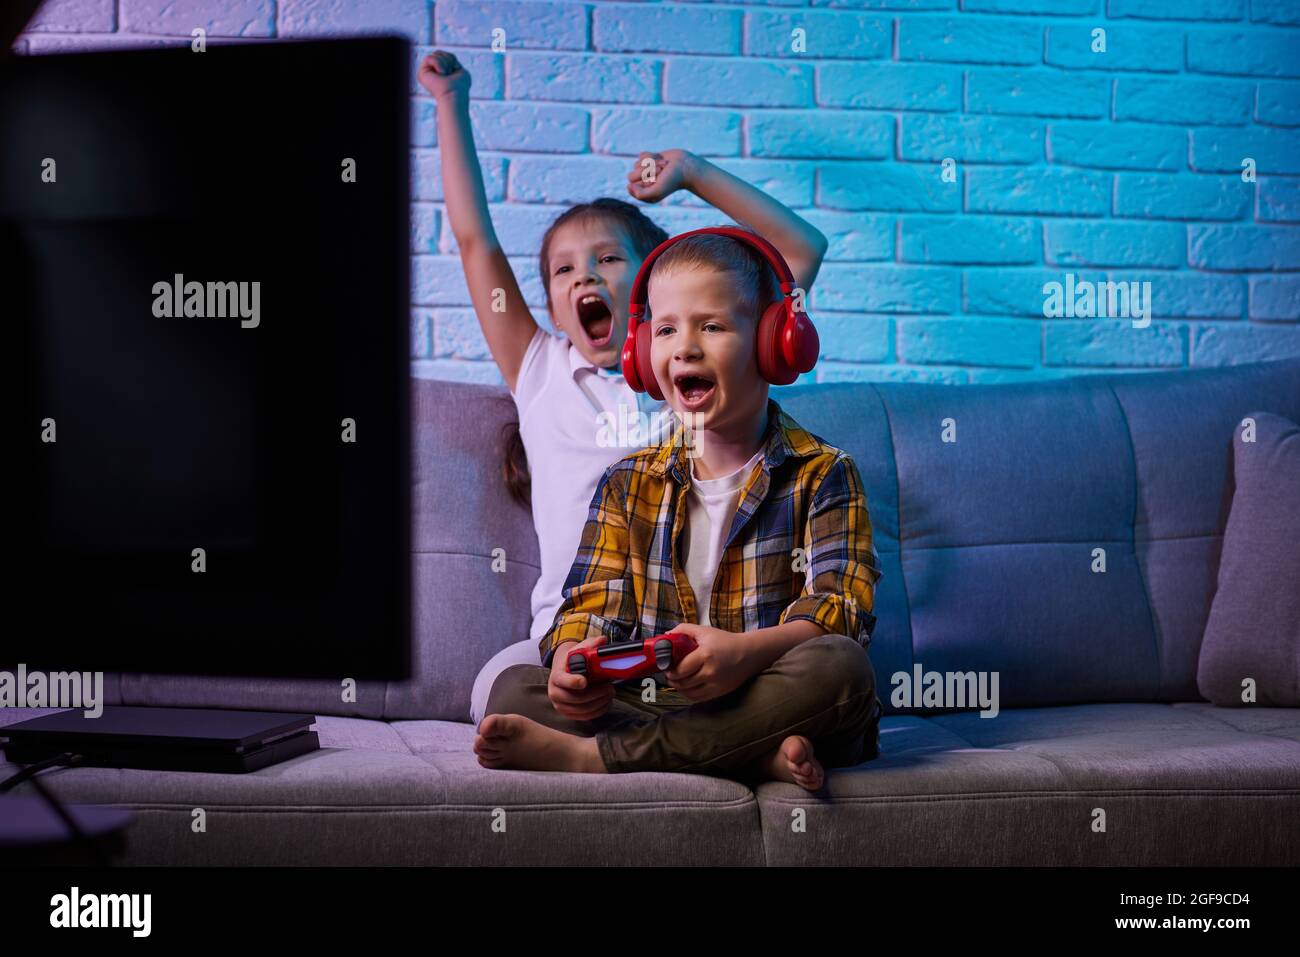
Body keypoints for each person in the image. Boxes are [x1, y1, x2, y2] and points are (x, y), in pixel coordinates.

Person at [417, 51, 832, 725]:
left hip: (702, 639)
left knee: (815, 670)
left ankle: (666, 737)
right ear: (553, 308)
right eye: (563, 271)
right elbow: (473, 243)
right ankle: (728, 742)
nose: (585, 278)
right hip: (581, 644)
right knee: (500, 689)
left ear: (655, 280)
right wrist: (450, 102)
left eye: (609, 259)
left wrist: (692, 174)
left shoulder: (701, 367)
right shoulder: (541, 371)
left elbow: (801, 252)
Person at [478, 228, 884, 791]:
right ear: (644, 355)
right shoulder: (627, 482)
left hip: (775, 692)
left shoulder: (824, 472)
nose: (684, 347)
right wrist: (574, 659)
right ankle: (748, 756)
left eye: (711, 326)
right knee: (514, 689)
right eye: (666, 329)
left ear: (775, 341)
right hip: (661, 701)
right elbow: (592, 602)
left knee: (842, 669)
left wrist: (744, 655)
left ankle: (597, 757)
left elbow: (841, 609)